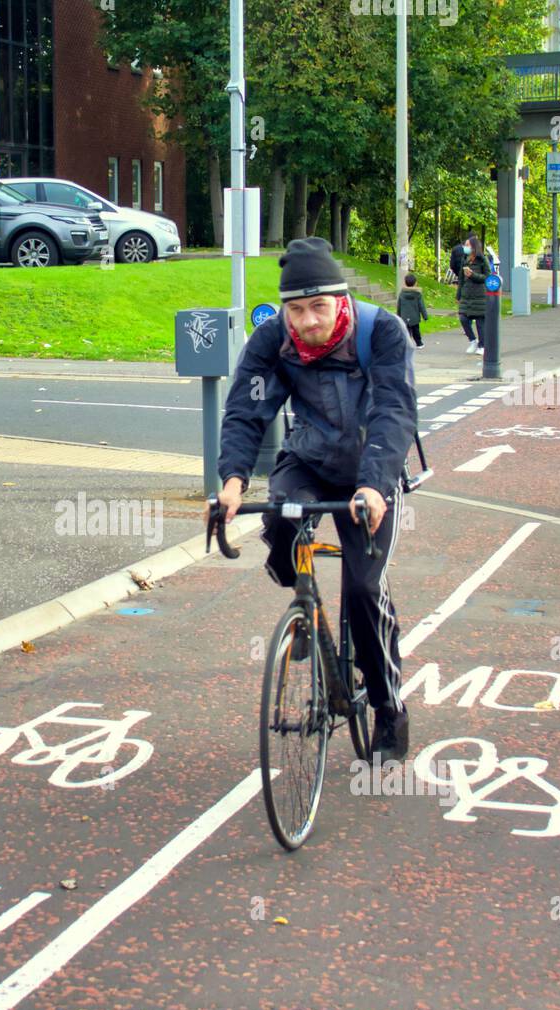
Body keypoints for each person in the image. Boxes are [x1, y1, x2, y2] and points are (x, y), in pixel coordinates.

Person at [207, 237, 417, 763]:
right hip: (309, 461)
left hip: (370, 470)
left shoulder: (382, 333)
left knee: (364, 592)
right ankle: (303, 599)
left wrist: (373, 485)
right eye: (295, 309)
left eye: (318, 307)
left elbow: (394, 413)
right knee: (279, 522)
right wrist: (232, 481)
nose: (307, 321)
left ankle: (389, 711)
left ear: (341, 301)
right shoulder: (272, 340)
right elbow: (245, 413)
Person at [458, 235, 489, 356]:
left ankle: (482, 345)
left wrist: (473, 275)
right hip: (466, 295)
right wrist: (459, 295)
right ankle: (472, 340)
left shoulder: (482, 260)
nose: (465, 247)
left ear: (474, 247)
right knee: (463, 318)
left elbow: (487, 277)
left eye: (467, 245)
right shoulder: (464, 259)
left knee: (480, 323)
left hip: (479, 296)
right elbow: (461, 279)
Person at [397, 272, 428, 348]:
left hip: (404, 316)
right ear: (415, 283)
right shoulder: (418, 294)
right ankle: (419, 343)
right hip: (415, 317)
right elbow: (421, 306)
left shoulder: (402, 293)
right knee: (416, 331)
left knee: (406, 331)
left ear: (405, 283)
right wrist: (425, 316)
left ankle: (406, 344)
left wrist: (398, 315)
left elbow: (399, 306)